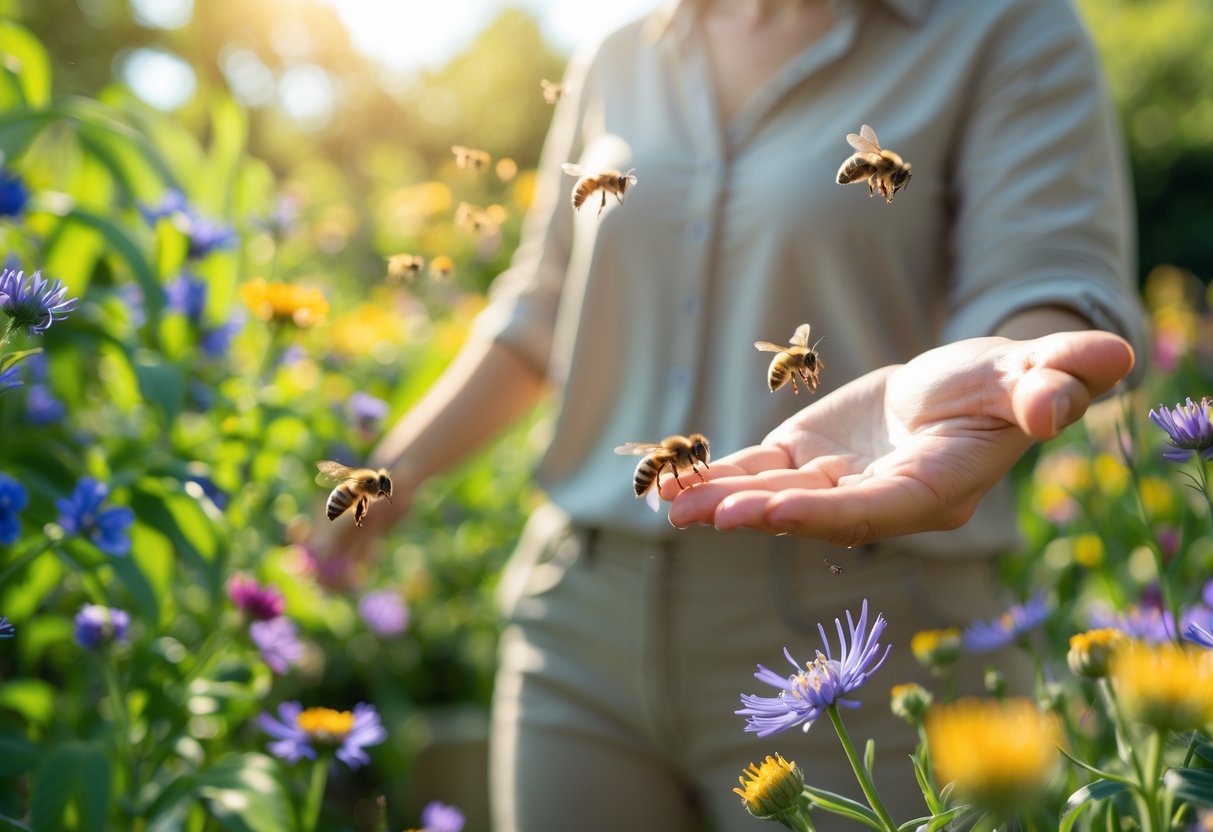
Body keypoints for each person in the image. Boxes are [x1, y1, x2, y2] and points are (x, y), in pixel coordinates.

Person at [317, 0, 1147, 828]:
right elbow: (543, 310)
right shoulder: (619, 51)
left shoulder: (1002, 28)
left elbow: (1046, 271)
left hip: (859, 627)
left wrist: (1016, 362)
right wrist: (387, 475)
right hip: (578, 619)